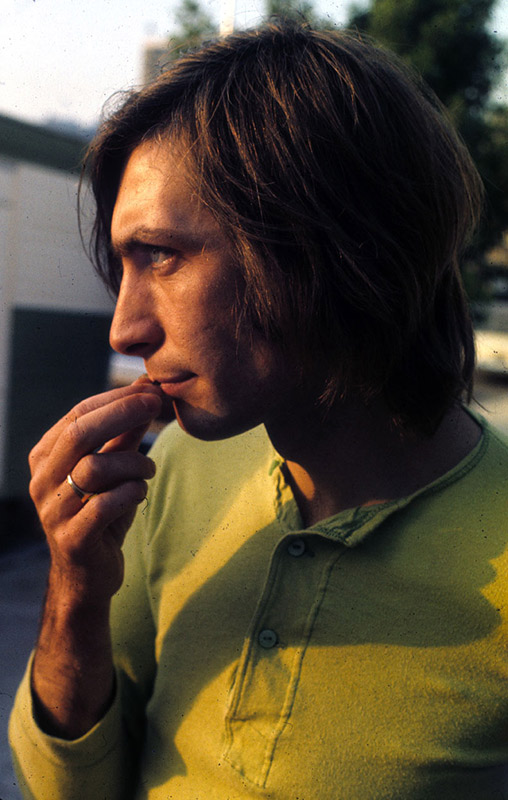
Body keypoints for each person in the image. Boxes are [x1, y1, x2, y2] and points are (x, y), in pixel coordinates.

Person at [9, 19, 508, 799]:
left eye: (162, 256)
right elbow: (69, 788)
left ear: (328, 247)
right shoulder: (172, 467)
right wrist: (74, 588)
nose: (124, 327)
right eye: (123, 265)